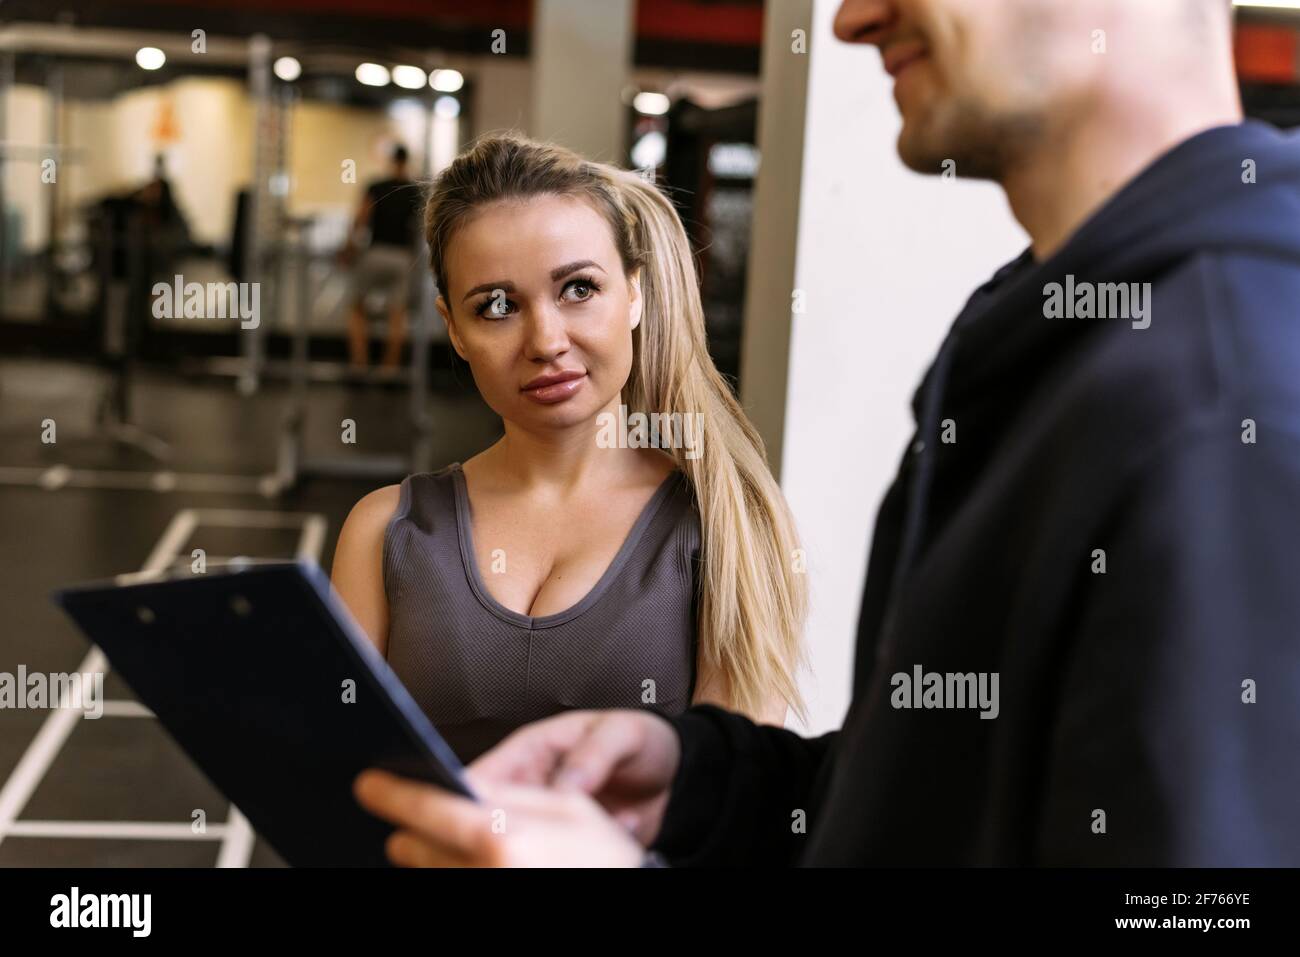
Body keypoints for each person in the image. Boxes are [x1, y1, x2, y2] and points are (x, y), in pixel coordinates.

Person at [354, 0, 1300, 867]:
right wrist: (701, 780)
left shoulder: (1224, 390)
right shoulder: (1042, 343)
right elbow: (928, 805)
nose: (851, 19)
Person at [331, 134, 808, 765]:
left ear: (633, 294)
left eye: (578, 289)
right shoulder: (382, 531)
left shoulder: (726, 522)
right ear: (455, 329)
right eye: (497, 306)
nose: (546, 340)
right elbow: (339, 785)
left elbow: (724, 815)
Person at [341, 144, 423, 372]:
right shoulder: (414, 190)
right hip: (403, 257)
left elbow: (360, 220)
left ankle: (359, 363)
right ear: (407, 162)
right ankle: (389, 369)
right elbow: (421, 227)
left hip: (375, 253)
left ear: (390, 161)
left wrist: (350, 246)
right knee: (397, 314)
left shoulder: (376, 186)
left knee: (356, 307)